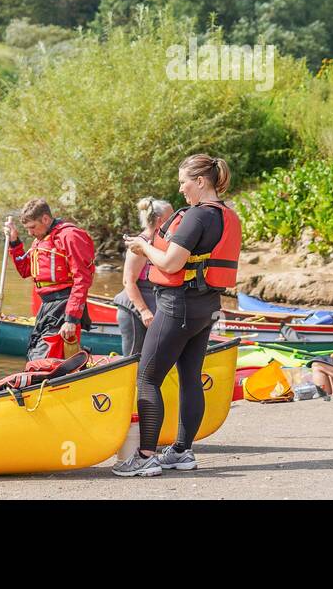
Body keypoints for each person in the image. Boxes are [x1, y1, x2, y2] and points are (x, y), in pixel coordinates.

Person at [114, 154, 242, 477]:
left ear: (200, 182)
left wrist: (143, 249)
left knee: (147, 377)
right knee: (190, 377)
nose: (181, 188)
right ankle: (182, 452)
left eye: (184, 181)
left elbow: (171, 263)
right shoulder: (225, 214)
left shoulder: (197, 217)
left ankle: (145, 457)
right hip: (206, 307)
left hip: (178, 307)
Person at [4, 198, 96, 360]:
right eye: (27, 229)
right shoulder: (40, 241)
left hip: (64, 304)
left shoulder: (70, 235)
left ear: (46, 219)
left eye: (33, 227)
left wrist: (71, 319)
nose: (30, 233)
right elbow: (25, 270)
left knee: (45, 358)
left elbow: (82, 278)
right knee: (34, 353)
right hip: (46, 306)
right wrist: (14, 242)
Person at [113, 197, 173, 356]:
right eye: (172, 218)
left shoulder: (160, 242)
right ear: (160, 220)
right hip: (134, 310)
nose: (176, 223)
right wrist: (144, 311)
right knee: (134, 356)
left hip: (154, 303)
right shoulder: (139, 243)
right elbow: (128, 281)